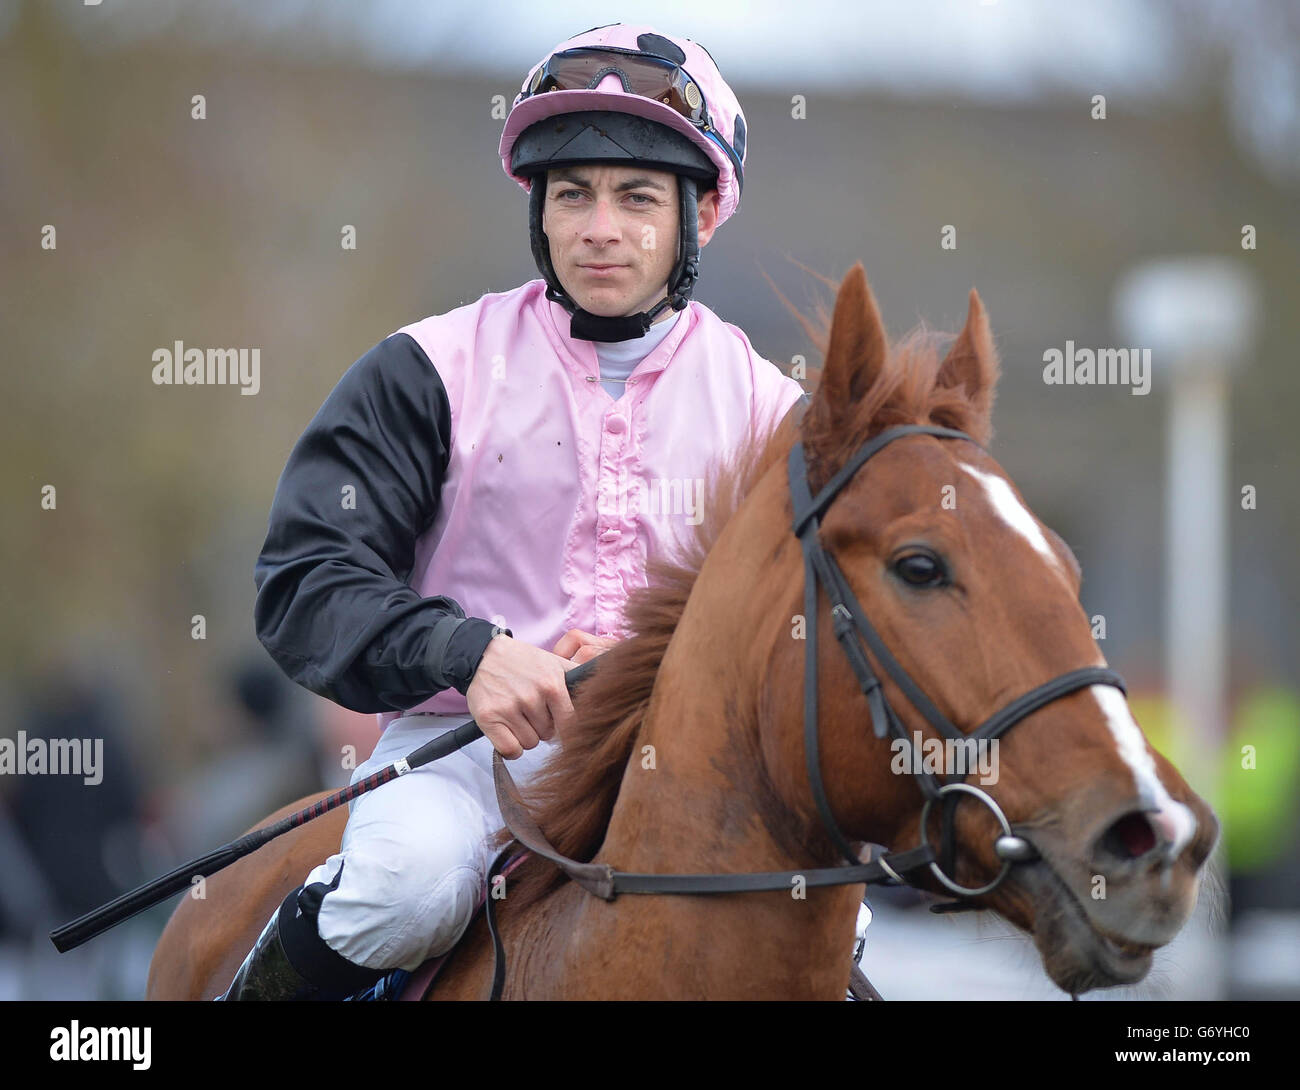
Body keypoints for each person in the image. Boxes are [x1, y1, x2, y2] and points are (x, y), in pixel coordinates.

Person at [222, 22, 806, 1000]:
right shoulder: (428, 369)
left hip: (689, 778)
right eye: (571, 193)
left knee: (827, 927)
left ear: (702, 209)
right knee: (401, 892)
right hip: (461, 760)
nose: (598, 227)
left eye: (635, 197)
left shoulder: (772, 414)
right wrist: (471, 655)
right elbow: (305, 577)